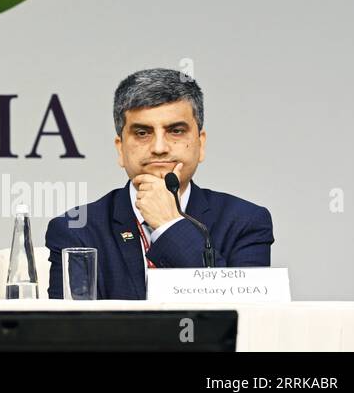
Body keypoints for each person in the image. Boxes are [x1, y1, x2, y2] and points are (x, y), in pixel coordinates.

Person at [46, 68, 273, 299]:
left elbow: (244, 316)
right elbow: (67, 330)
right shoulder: (76, 230)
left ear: (200, 143)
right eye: (143, 133)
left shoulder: (245, 222)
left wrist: (170, 225)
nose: (159, 147)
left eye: (176, 131)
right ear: (120, 149)